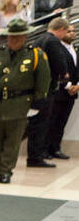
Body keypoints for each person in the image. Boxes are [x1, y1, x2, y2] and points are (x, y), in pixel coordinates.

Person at [0, 18, 50, 184]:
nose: (14, 40)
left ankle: (6, 170)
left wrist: (37, 103)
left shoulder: (35, 55)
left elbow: (43, 81)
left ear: (25, 36)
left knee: (12, 141)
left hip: (19, 105)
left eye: (18, 36)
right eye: (11, 36)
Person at [25, 16, 75, 169]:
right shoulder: (53, 41)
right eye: (65, 31)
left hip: (36, 87)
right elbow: (59, 63)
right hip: (47, 88)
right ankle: (35, 157)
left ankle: (34, 155)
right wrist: (64, 75)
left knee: (35, 123)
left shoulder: (39, 39)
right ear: (61, 29)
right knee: (41, 124)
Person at [44, 18, 77, 161]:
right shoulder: (56, 46)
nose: (72, 33)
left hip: (72, 92)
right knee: (51, 121)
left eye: (74, 31)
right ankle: (45, 149)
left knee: (61, 122)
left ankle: (55, 148)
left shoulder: (75, 49)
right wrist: (68, 85)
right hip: (60, 90)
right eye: (68, 31)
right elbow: (57, 68)